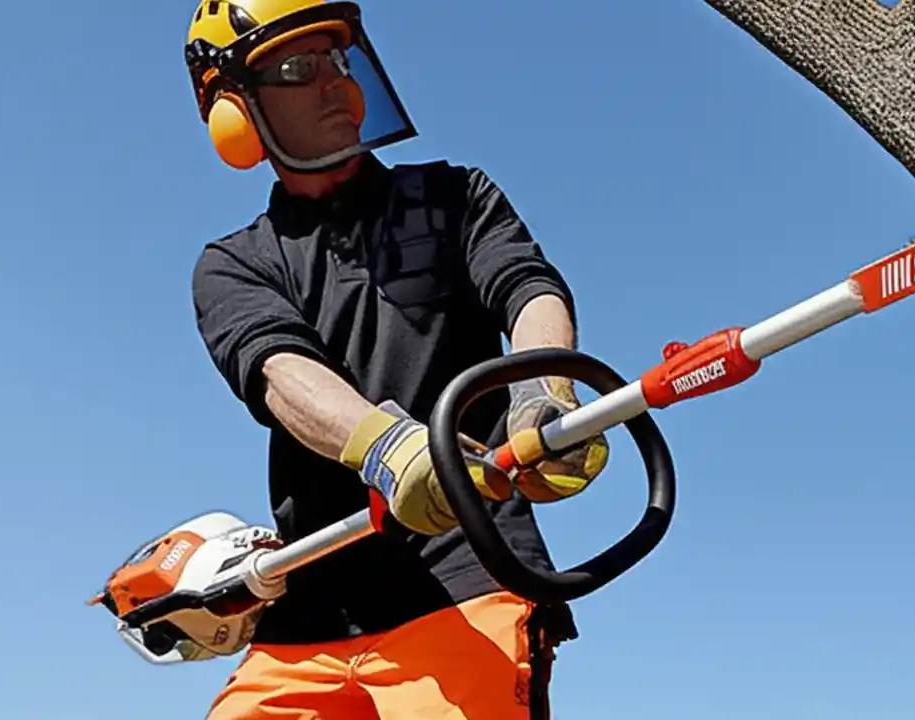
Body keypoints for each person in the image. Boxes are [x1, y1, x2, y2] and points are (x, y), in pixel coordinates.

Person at [180, 1, 609, 717]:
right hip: (308, 614)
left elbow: (528, 291)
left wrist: (545, 392)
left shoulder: (454, 197)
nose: (334, 86)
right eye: (298, 67)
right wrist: (391, 448)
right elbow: (281, 372)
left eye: (339, 62)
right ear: (236, 111)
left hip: (467, 580)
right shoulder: (232, 264)